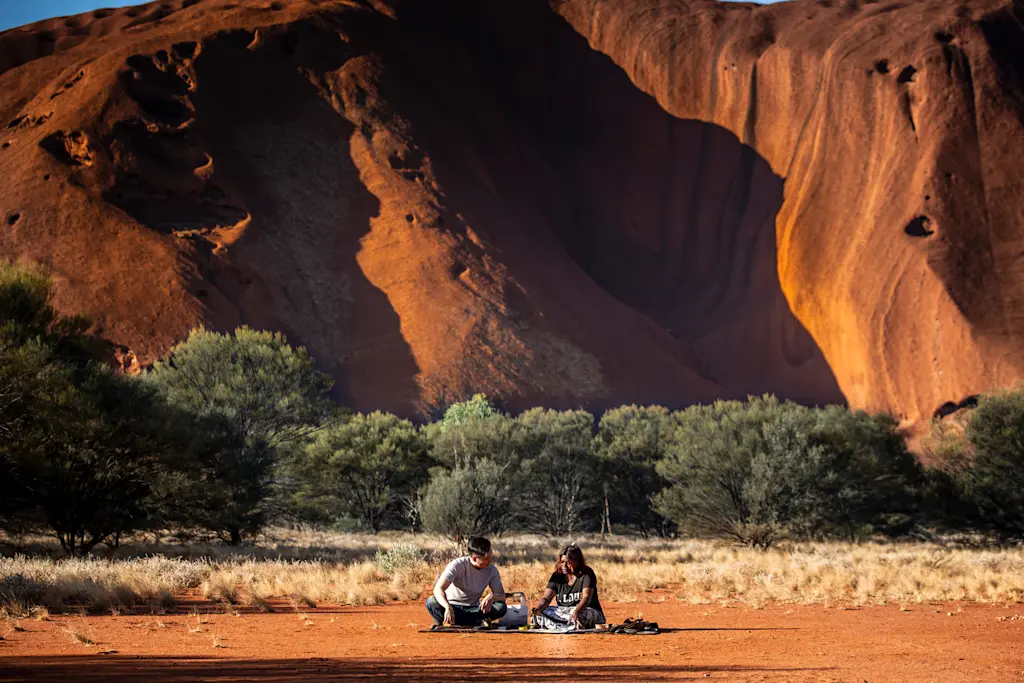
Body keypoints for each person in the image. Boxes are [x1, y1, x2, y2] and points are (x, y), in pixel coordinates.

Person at [426, 536, 508, 627]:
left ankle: (458, 622)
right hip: (453, 607)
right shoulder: (457, 565)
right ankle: (474, 622)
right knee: (432, 601)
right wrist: (447, 607)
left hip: (475, 609)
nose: (490, 561)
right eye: (486, 558)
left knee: (501, 607)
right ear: (474, 558)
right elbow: (438, 589)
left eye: (491, 556)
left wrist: (493, 597)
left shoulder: (492, 570)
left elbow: (501, 595)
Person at [531, 543, 605, 629]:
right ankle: (565, 625)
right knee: (542, 613)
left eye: (568, 562)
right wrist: (538, 609)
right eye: (562, 562)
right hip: (564, 611)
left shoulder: (587, 574)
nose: (564, 566)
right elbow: (546, 598)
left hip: (585, 610)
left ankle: (557, 624)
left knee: (580, 616)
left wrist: (576, 612)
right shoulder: (557, 575)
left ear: (577, 561)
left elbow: (586, 598)